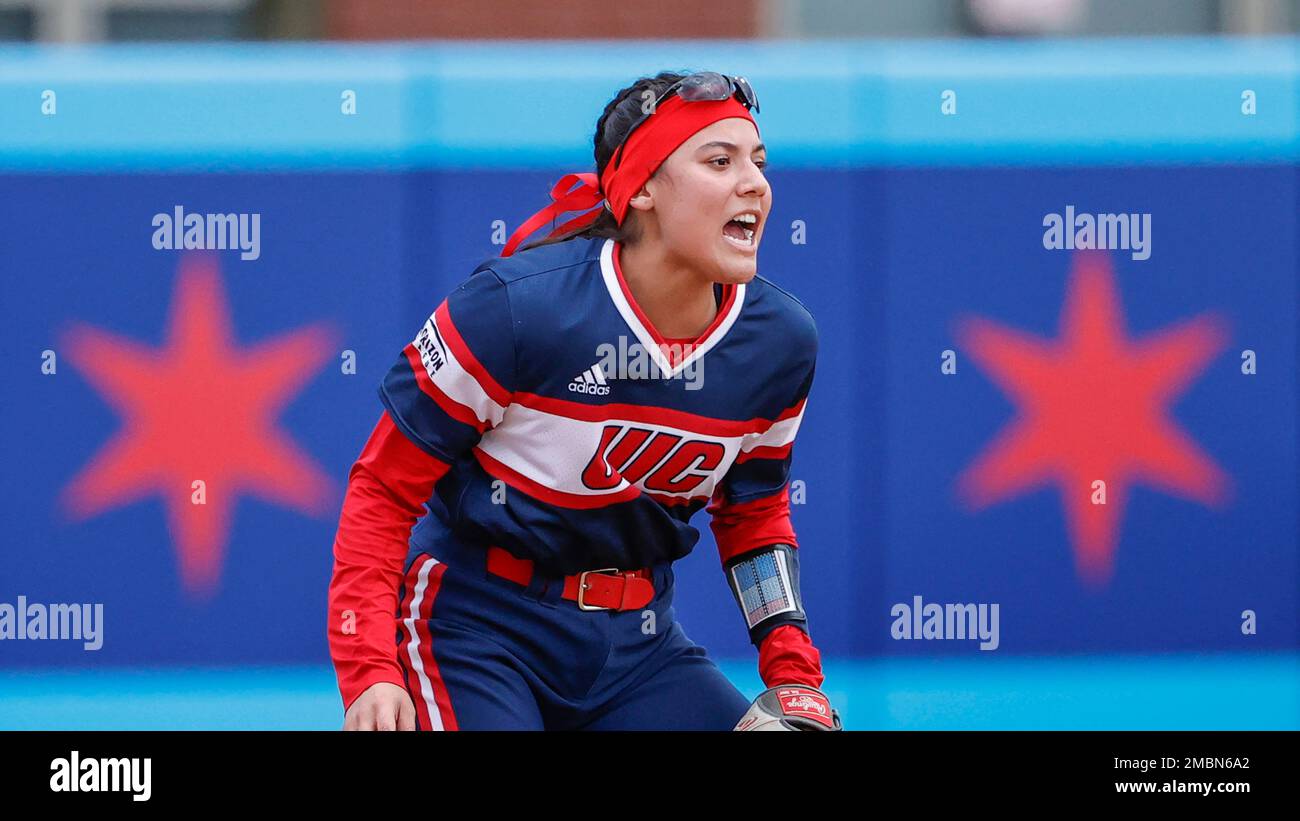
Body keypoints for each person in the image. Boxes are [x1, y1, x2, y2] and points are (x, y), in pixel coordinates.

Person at [327, 70, 840, 731]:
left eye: (759, 162)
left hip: (638, 642)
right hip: (475, 627)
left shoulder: (779, 341)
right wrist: (368, 669)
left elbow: (754, 514)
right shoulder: (515, 310)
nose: (755, 183)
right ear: (644, 189)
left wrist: (793, 673)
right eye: (719, 161)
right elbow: (383, 489)